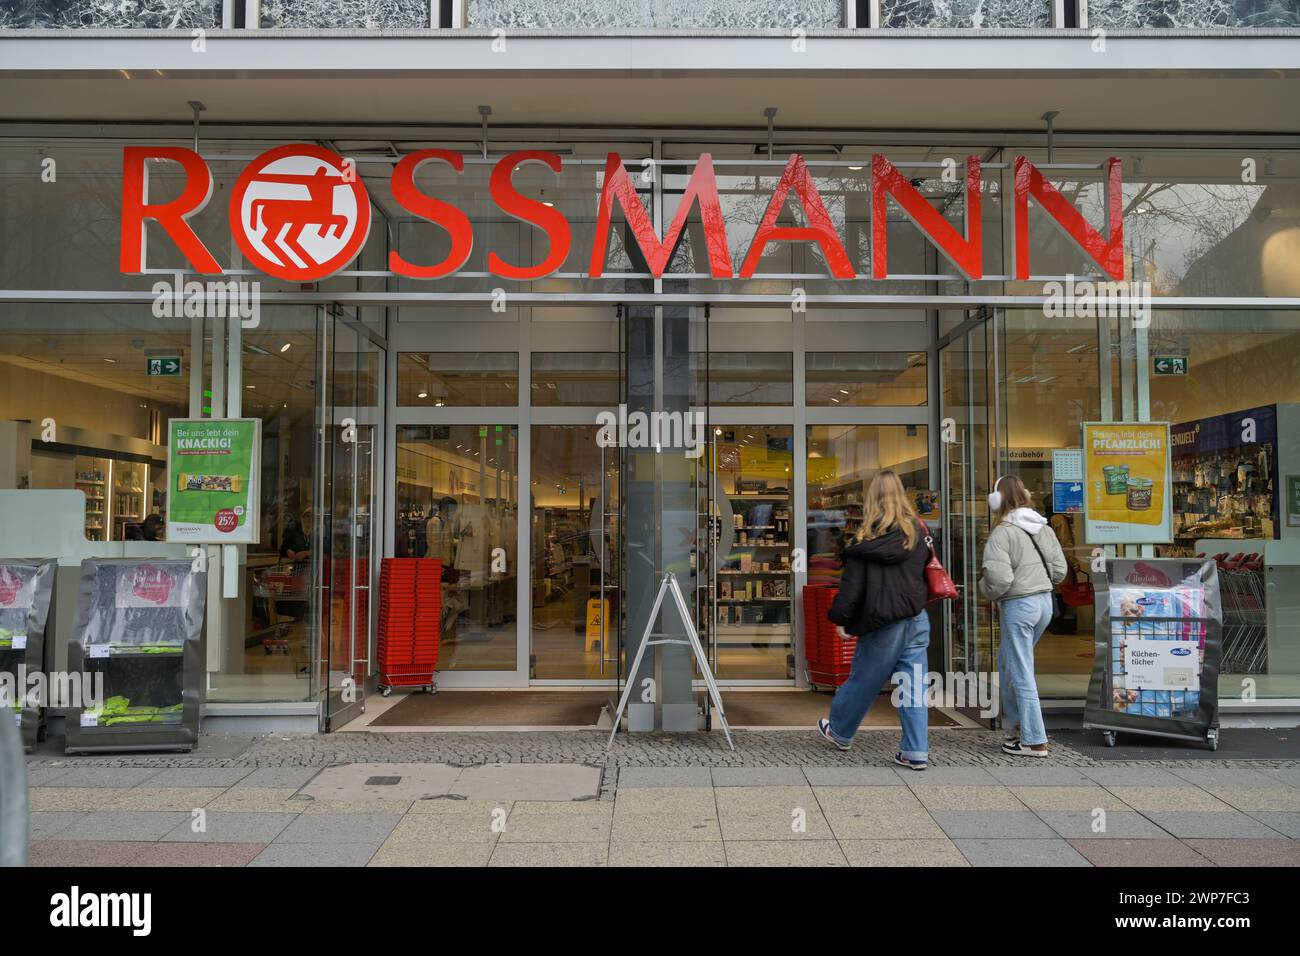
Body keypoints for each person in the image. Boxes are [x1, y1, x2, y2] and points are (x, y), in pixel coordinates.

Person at [817, 470, 933, 770]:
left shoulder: (863, 541)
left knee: (863, 680)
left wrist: (841, 618)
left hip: (884, 623)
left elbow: (851, 588)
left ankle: (840, 731)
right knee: (914, 686)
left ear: (871, 500)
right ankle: (916, 751)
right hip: (916, 619)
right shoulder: (917, 535)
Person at [979, 475, 1068, 757]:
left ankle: (1034, 739)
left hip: (1019, 605)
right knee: (1008, 661)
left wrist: (985, 590)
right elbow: (1060, 570)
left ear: (997, 501)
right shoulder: (1044, 528)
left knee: (1020, 668)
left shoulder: (1002, 533)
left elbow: (999, 577)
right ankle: (1017, 727)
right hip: (1044, 602)